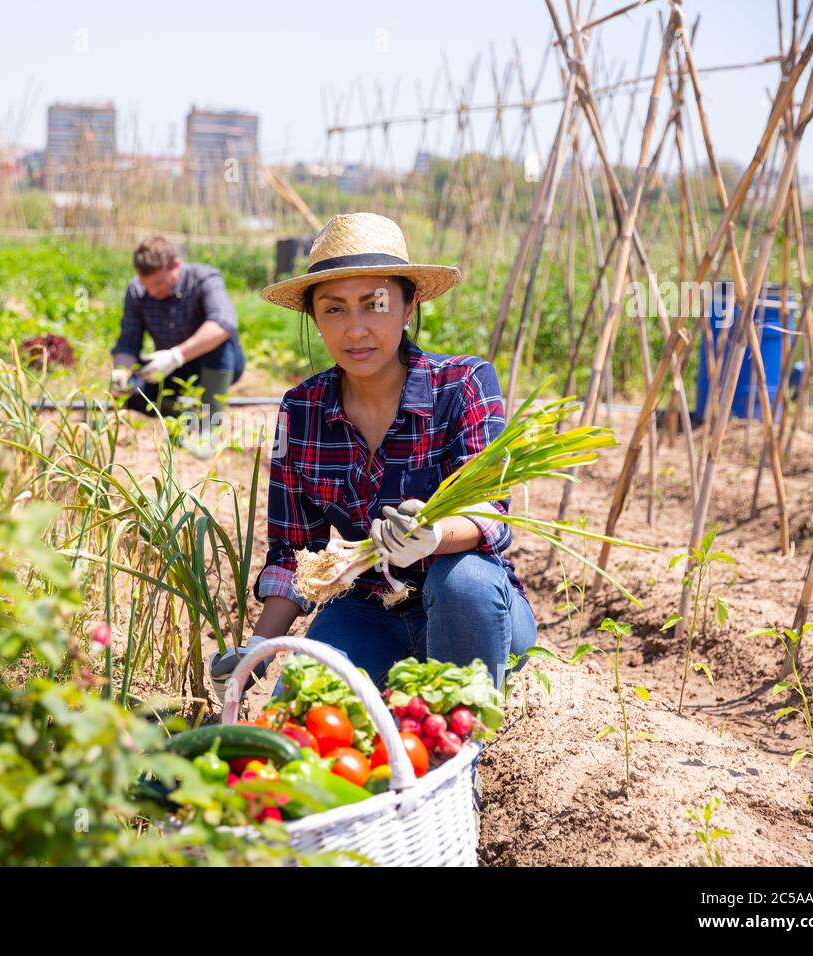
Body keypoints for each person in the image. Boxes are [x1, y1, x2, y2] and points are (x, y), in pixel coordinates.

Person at [210, 212, 536, 704]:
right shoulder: (301, 410)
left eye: (374, 304)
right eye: (334, 309)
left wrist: (433, 537)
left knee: (463, 579)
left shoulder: (464, 384)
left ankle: (457, 760)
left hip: (467, 603)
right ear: (315, 319)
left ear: (409, 306)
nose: (355, 329)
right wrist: (258, 647)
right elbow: (294, 554)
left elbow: (492, 515)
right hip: (368, 607)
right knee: (303, 707)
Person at [110, 236, 246, 432]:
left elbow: (224, 323)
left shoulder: (204, 279)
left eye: (158, 284)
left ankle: (209, 421)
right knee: (130, 392)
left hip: (216, 365)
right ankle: (185, 414)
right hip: (171, 371)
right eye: (146, 285)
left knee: (219, 342)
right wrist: (121, 372)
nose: (152, 292)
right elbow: (128, 342)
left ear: (175, 265)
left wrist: (176, 356)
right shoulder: (137, 291)